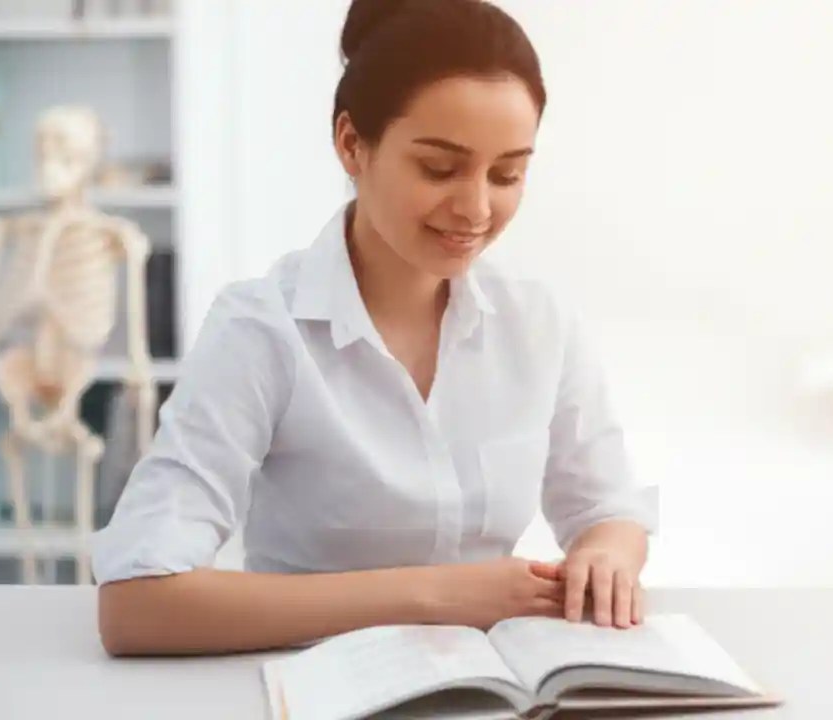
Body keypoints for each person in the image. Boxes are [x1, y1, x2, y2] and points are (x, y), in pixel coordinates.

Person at [93, 0, 657, 657]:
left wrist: (607, 553)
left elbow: (608, 510)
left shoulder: (538, 324)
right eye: (439, 168)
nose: (476, 208)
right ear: (351, 144)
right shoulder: (262, 329)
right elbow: (136, 605)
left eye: (507, 174)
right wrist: (438, 597)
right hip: (314, 686)